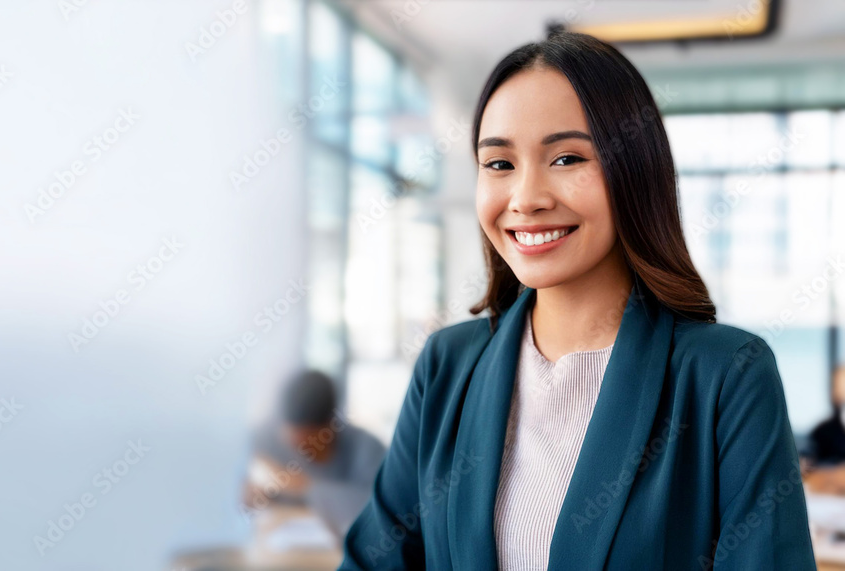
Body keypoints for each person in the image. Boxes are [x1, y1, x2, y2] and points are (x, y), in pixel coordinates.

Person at [339, 31, 816, 570]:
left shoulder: (724, 374)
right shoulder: (447, 365)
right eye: (499, 164)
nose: (526, 198)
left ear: (633, 171)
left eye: (566, 158)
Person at [242, 369, 386, 537]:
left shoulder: (366, 448)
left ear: (331, 427)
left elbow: (376, 508)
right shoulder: (265, 439)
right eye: (293, 442)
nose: (301, 452)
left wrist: (306, 487)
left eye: (308, 443)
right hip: (279, 549)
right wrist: (252, 498)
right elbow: (245, 502)